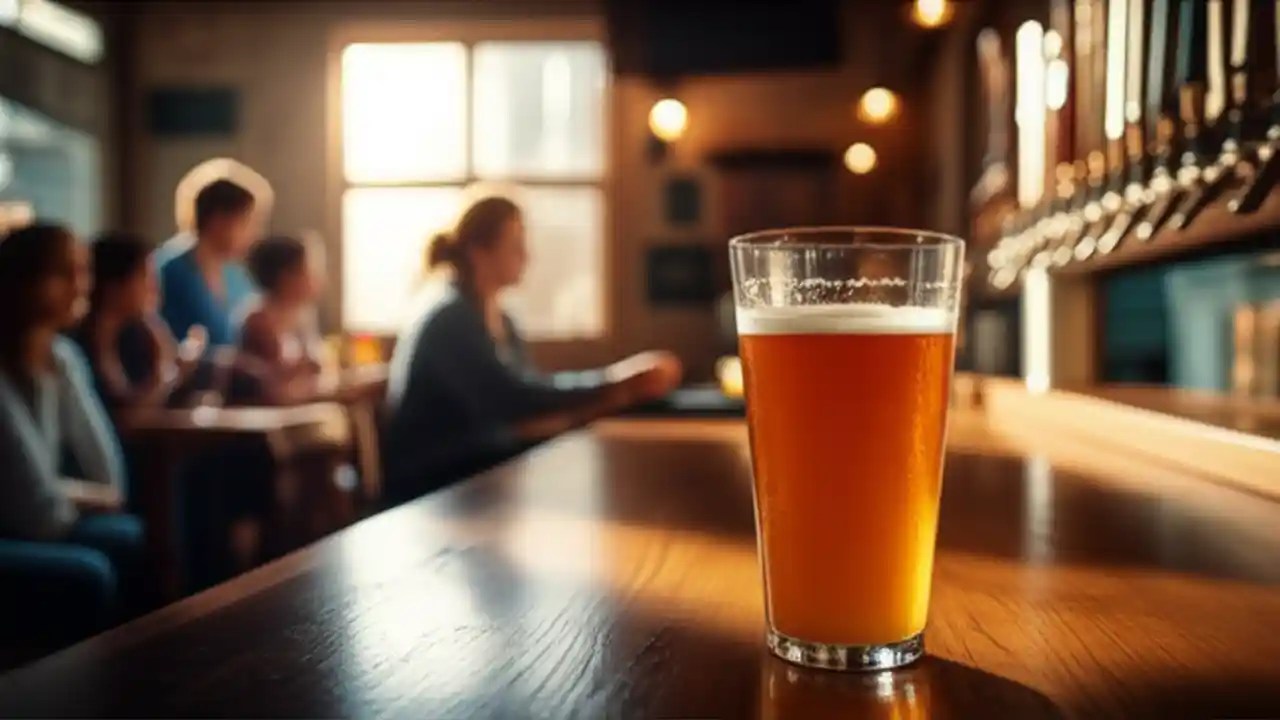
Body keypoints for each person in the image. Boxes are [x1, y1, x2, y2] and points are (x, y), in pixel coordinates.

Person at [385, 196, 682, 501]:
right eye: (515, 245)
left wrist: (614, 395)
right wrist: (615, 382)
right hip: (436, 486)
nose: (526, 256)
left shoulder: (502, 319)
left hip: (480, 473)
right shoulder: (450, 317)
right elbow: (514, 399)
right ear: (478, 253)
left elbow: (525, 403)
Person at [0, 224, 144, 638]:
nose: (81, 285)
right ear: (22, 282)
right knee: (90, 573)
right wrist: (73, 495)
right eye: (64, 272)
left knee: (129, 535)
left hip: (32, 514)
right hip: (17, 524)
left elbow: (110, 481)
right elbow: (39, 517)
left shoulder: (61, 357)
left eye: (83, 271)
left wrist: (60, 491)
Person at [73, 232, 205, 415]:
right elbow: (129, 415)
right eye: (145, 277)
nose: (154, 288)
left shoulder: (135, 337)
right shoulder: (77, 347)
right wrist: (167, 371)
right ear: (113, 286)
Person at [158, 178, 259, 348]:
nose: (252, 234)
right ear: (218, 220)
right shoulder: (173, 271)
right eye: (245, 223)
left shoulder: (236, 276)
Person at [238, 234, 325, 404]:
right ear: (286, 277)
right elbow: (273, 388)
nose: (317, 279)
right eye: (308, 271)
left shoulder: (301, 317)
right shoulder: (259, 322)